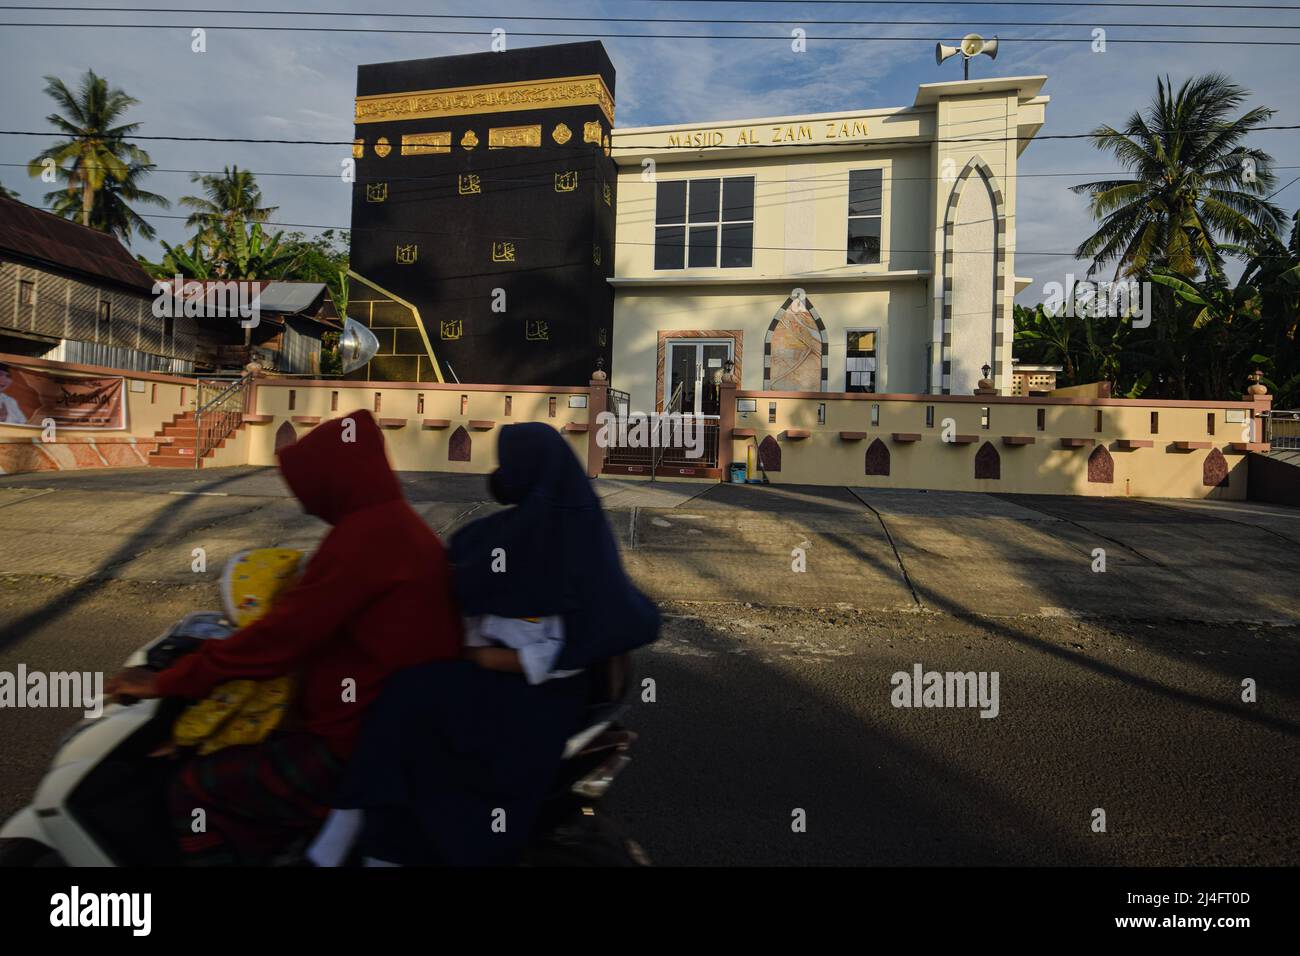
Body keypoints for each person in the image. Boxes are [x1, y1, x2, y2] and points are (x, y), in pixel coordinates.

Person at [105, 410, 463, 865]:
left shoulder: (366, 539)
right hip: (381, 726)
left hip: (352, 742)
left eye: (309, 490)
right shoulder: (393, 525)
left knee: (194, 791)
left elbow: (276, 642)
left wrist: (167, 681)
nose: (305, 505)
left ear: (334, 480)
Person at [331, 422, 660, 866]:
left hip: (534, 693)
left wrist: (482, 656)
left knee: (407, 705)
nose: (502, 472)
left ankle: (363, 849)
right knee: (409, 701)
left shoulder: (569, 538)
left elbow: (562, 648)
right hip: (496, 675)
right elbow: (461, 571)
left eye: (511, 464)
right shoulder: (520, 525)